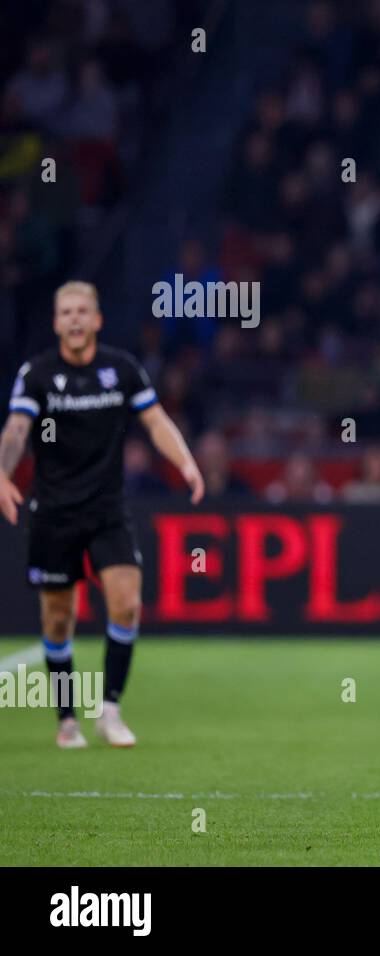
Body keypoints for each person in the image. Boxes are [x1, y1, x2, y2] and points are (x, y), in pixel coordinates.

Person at [0, 281, 204, 749]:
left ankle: (109, 709)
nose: (74, 319)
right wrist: (1, 473)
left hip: (108, 509)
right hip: (53, 512)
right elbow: (16, 430)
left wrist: (186, 462)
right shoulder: (37, 375)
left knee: (128, 602)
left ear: (97, 320)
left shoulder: (122, 370)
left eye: (82, 311)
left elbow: (155, 422)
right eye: (65, 311)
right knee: (57, 617)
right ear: (56, 323)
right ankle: (67, 718)